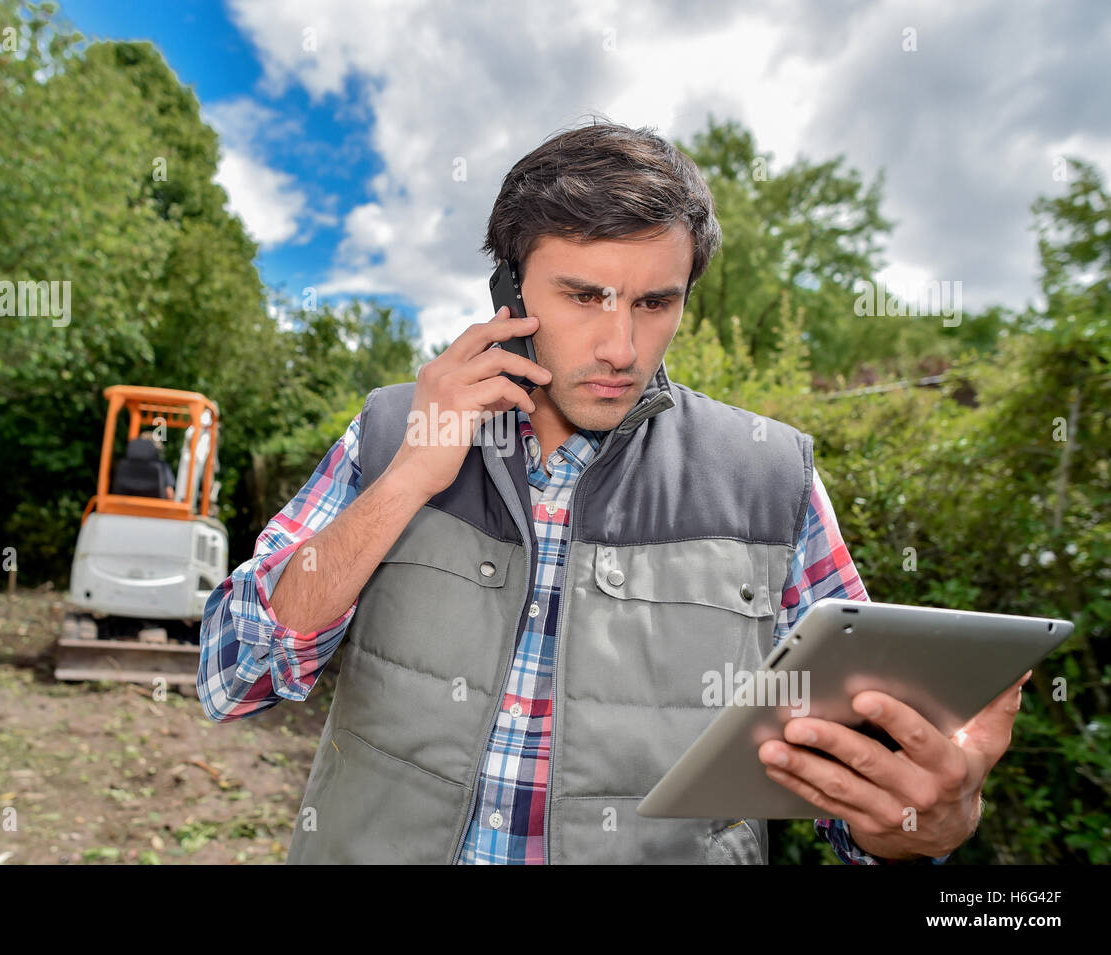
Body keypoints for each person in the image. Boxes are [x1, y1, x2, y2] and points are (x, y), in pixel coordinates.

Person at [198, 120, 1029, 865]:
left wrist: (920, 823)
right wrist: (411, 474)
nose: (621, 345)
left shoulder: (770, 478)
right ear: (511, 294)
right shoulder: (389, 431)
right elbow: (233, 678)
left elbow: (864, 800)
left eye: (655, 301)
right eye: (584, 294)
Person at [113, 430, 175, 500]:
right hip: (154, 508)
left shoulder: (122, 465)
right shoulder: (162, 466)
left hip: (122, 507)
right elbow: (169, 493)